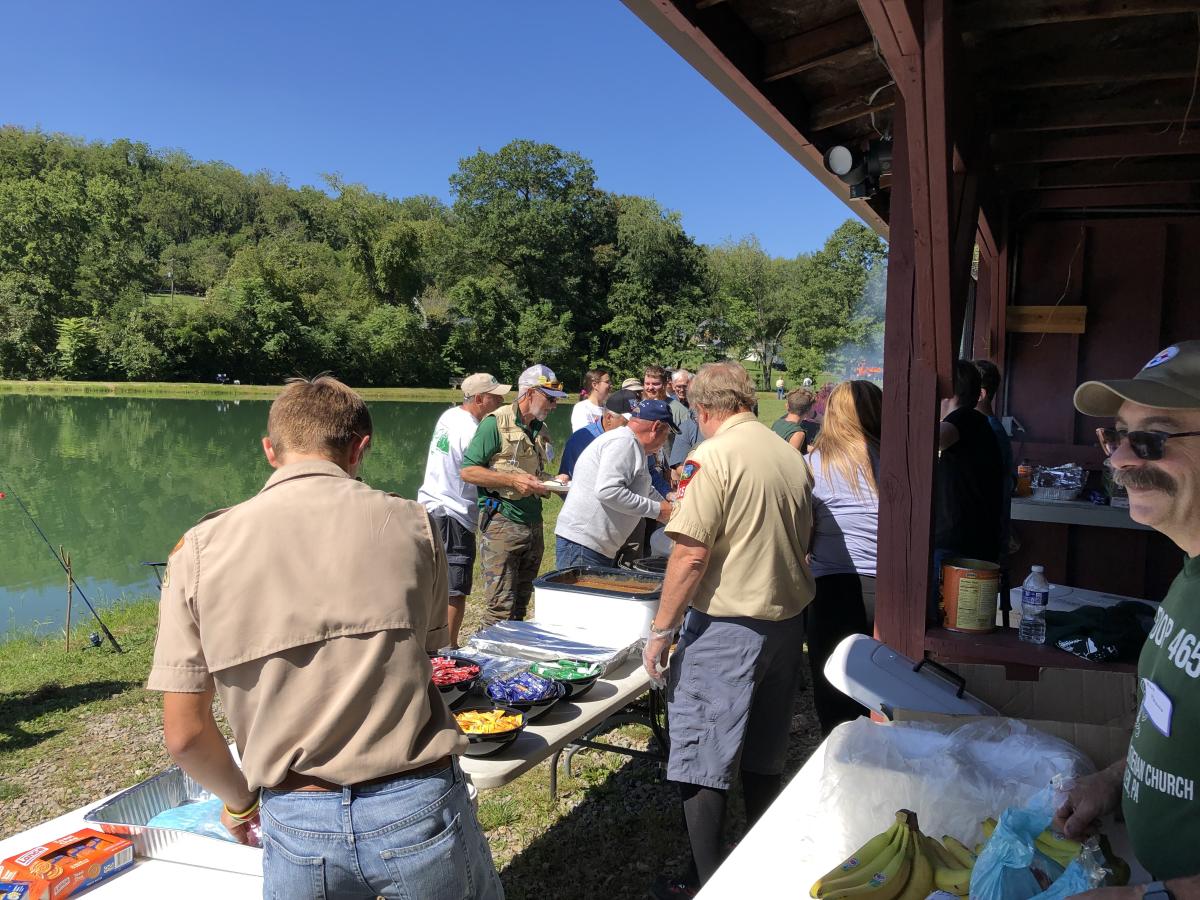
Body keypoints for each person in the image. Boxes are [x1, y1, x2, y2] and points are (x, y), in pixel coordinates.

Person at [147, 376, 502, 899]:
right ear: (361, 448)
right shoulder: (414, 523)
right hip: (416, 803)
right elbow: (432, 650)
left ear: (270, 450)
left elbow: (184, 734)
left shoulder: (197, 551)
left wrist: (240, 801)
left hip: (295, 816)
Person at [643, 362, 815, 898]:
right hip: (787, 626)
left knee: (700, 755)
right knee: (765, 753)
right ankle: (761, 863)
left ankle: (708, 883)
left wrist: (661, 631)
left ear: (703, 410)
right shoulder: (788, 453)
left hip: (728, 628)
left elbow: (691, 553)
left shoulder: (712, 456)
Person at [1053, 342, 1200, 890]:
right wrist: (1115, 781)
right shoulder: (1191, 570)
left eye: (1151, 439)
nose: (1118, 460)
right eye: (1115, 436)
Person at [804, 381, 883, 735]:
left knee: (834, 696)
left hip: (832, 589)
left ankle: (838, 766)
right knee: (884, 694)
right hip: (892, 591)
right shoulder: (902, 462)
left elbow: (803, 534)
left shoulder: (811, 466)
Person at [461, 364, 564, 626]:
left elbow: (530, 472)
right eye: (549, 399)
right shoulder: (495, 423)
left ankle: (512, 663)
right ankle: (487, 663)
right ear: (529, 393)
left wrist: (553, 482)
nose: (553, 405)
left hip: (533, 523)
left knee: (520, 606)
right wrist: (511, 480)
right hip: (502, 523)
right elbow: (469, 471)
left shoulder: (539, 428)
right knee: (499, 609)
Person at [418, 372, 510, 648]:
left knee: (432, 583)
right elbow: (478, 472)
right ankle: (448, 648)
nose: (501, 402)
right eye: (496, 397)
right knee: (455, 587)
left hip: (430, 506)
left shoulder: (449, 417)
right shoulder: (473, 431)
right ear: (480, 399)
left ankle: (430, 642)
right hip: (453, 512)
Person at [555, 399, 677, 569]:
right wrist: (658, 510)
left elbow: (644, 489)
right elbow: (608, 491)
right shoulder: (624, 443)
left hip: (592, 546)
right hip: (583, 545)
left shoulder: (632, 445)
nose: (665, 441)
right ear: (656, 427)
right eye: (667, 433)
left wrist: (672, 509)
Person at [935, 359, 1005, 567]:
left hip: (958, 545)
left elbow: (934, 439)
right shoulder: (977, 423)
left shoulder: (966, 418)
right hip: (968, 542)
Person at [557, 395, 630, 481]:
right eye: (625, 423)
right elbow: (565, 480)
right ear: (609, 418)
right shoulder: (581, 440)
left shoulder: (629, 439)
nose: (630, 428)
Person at [771, 388, 819, 453]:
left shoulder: (778, 422)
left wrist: (817, 450)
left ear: (787, 406)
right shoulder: (798, 434)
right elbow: (791, 461)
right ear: (808, 410)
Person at [571, 368, 612, 432]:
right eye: (607, 382)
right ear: (595, 385)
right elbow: (583, 436)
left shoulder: (608, 409)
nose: (610, 385)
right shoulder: (581, 408)